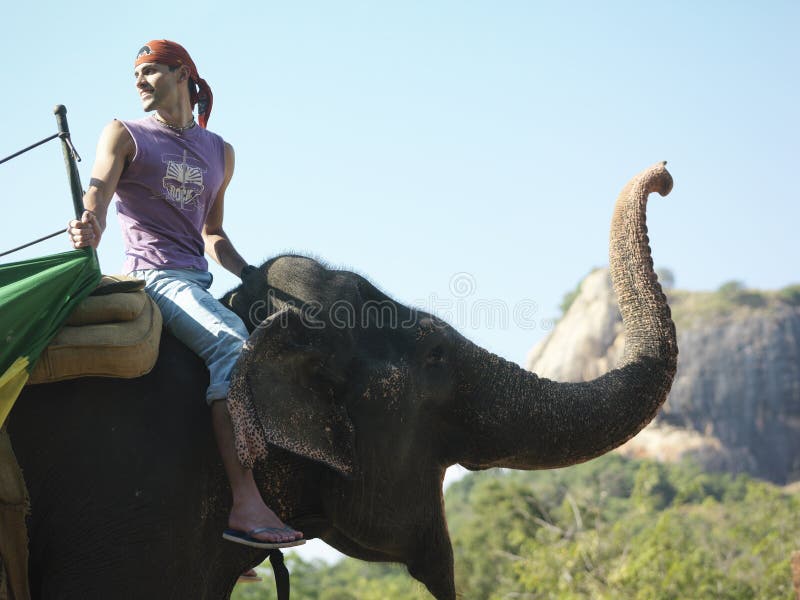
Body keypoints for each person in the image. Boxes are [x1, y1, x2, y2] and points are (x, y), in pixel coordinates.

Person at [67, 39, 304, 551]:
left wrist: (254, 276)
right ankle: (244, 503)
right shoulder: (126, 133)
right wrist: (91, 220)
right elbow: (99, 191)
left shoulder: (220, 151)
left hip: (199, 280)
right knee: (232, 347)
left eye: (150, 72)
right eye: (136, 76)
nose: (139, 83)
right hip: (154, 278)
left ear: (182, 75)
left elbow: (212, 234)